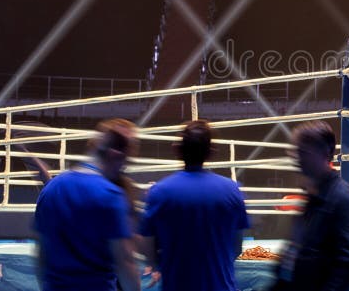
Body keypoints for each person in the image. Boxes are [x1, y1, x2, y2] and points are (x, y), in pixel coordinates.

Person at [139, 120, 249, 291]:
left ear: (177, 150)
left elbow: (147, 248)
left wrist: (161, 265)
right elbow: (236, 247)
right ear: (212, 152)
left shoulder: (159, 192)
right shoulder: (232, 191)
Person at [33, 118, 140, 291]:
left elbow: (41, 255)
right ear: (116, 154)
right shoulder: (110, 196)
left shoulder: (51, 188)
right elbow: (125, 263)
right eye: (126, 161)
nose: (124, 168)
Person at [272, 121, 349, 291]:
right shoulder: (313, 198)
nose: (297, 159)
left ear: (324, 154)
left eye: (303, 152)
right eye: (296, 152)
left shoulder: (343, 199)